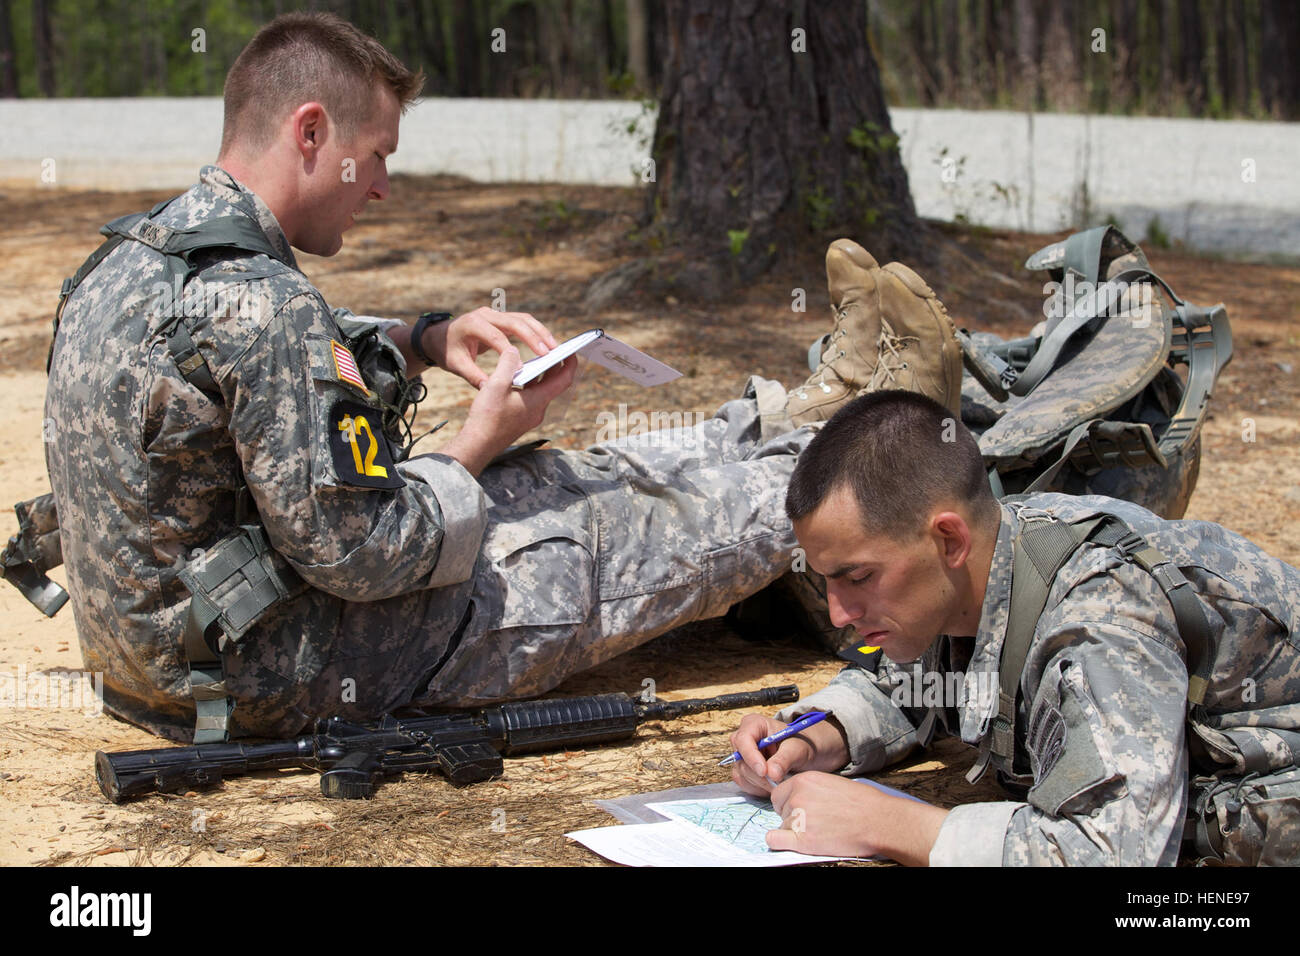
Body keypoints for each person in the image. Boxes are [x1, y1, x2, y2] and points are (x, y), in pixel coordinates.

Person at [41, 12, 964, 744]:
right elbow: (371, 555)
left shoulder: (131, 261)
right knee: (597, 524)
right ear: (311, 130)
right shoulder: (263, 304)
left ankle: (818, 414)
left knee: (556, 476)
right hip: (287, 672)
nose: (382, 188)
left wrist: (423, 337)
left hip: (168, 658)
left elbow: (235, 368)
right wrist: (483, 436)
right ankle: (893, 434)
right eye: (380, 154)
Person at [727, 389, 1300, 865]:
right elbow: (906, 677)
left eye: (856, 577)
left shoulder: (1101, 619)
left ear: (948, 539)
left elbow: (1113, 855)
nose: (837, 613)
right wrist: (812, 735)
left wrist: (898, 826)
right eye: (827, 579)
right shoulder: (981, 559)